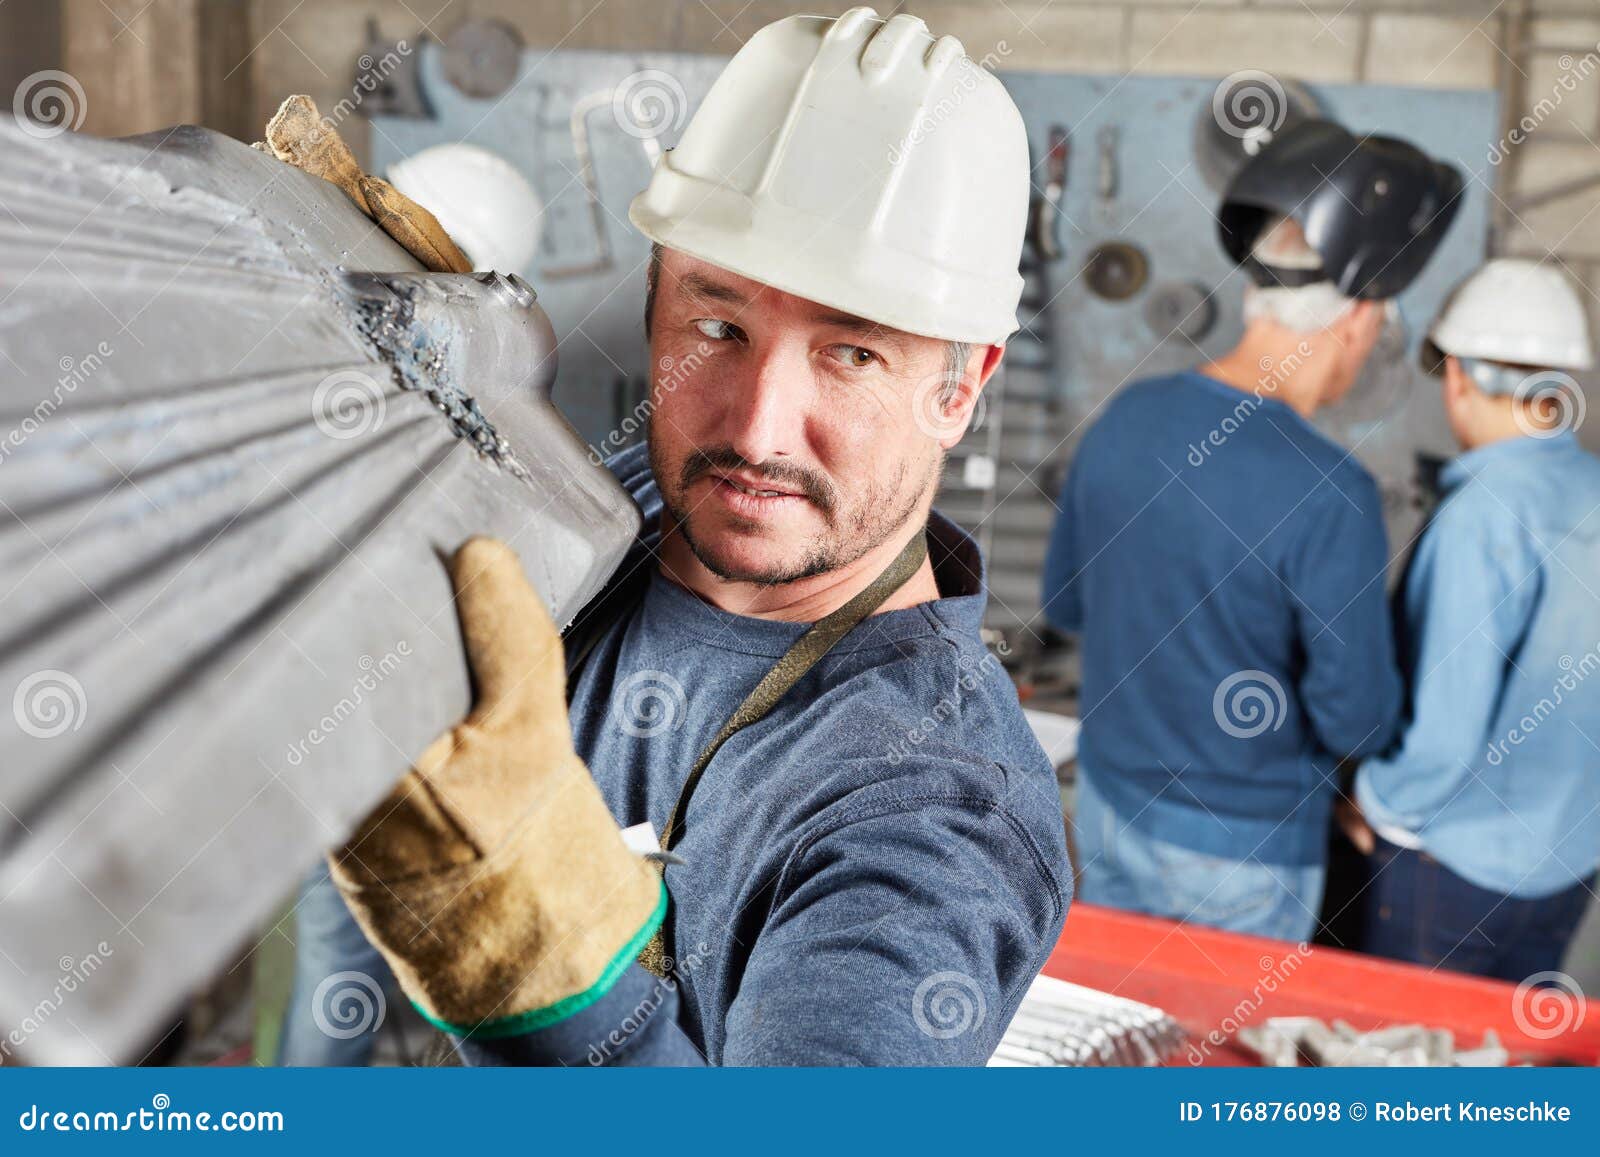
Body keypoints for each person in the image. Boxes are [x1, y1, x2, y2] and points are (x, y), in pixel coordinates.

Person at [284, 7, 1070, 1067]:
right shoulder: (616, 514)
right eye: (717, 327)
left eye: (852, 355)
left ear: (958, 388)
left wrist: (538, 977)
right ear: (656, 299)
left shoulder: (931, 809)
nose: (752, 427)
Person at [1042, 119, 1461, 941]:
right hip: (1242, 847)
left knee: (1117, 1042)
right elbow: (1357, 721)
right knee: (1218, 1060)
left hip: (1108, 805)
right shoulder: (1332, 491)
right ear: (1359, 323)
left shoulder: (1127, 416)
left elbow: (1067, 602)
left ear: (1252, 296)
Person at [1343, 259, 1600, 981]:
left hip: (1453, 871)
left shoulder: (1481, 517)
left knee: (1407, 1072)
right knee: (1501, 1066)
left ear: (1458, 375)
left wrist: (1376, 803)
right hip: (1567, 863)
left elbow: (1446, 738)